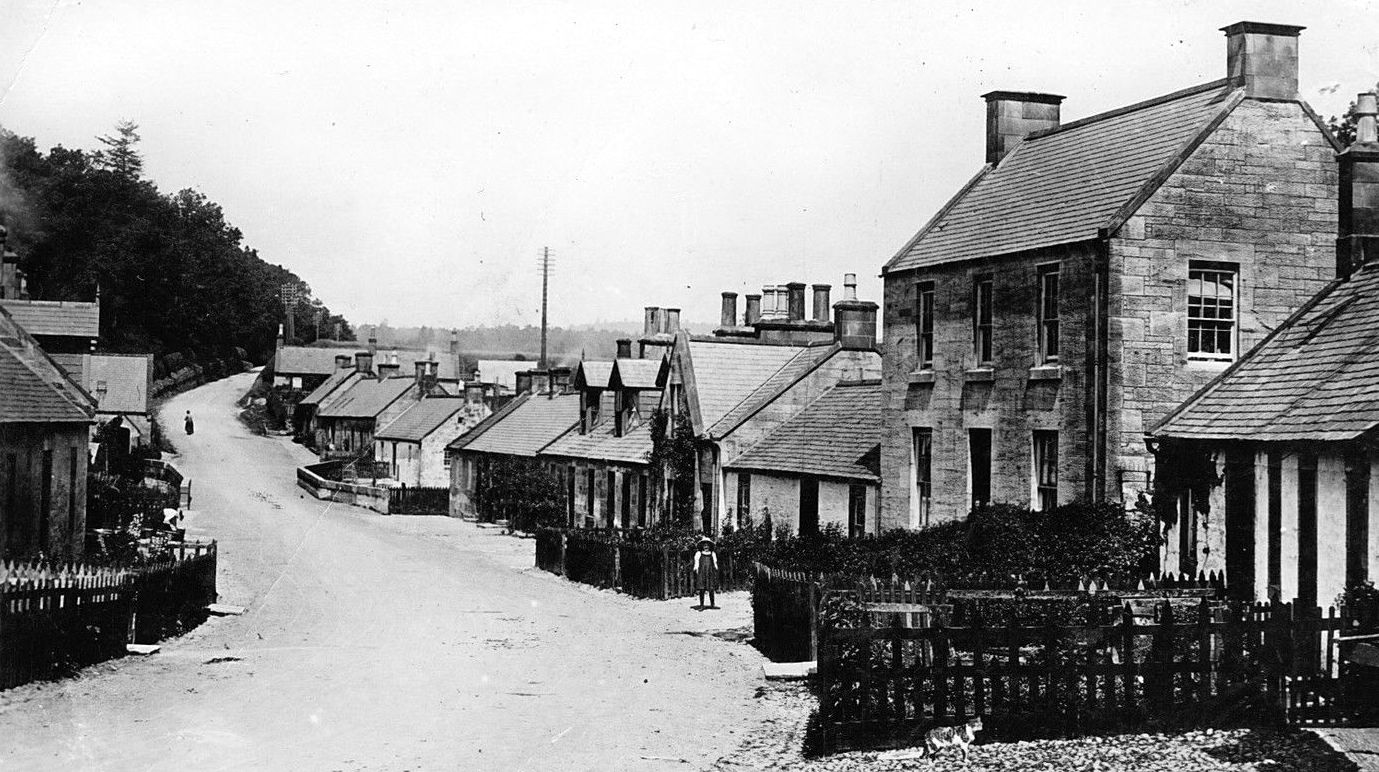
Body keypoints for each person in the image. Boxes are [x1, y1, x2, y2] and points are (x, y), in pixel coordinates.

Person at [691, 536, 718, 609]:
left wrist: (715, 569)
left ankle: (712, 604)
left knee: (711, 588)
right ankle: (702, 605)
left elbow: (715, 563)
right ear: (702, 546)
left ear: (709, 546)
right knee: (701, 588)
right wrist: (696, 569)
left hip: (710, 572)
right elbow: (696, 563)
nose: (706, 547)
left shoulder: (712, 554)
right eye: (704, 545)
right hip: (702, 572)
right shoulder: (699, 553)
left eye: (707, 545)